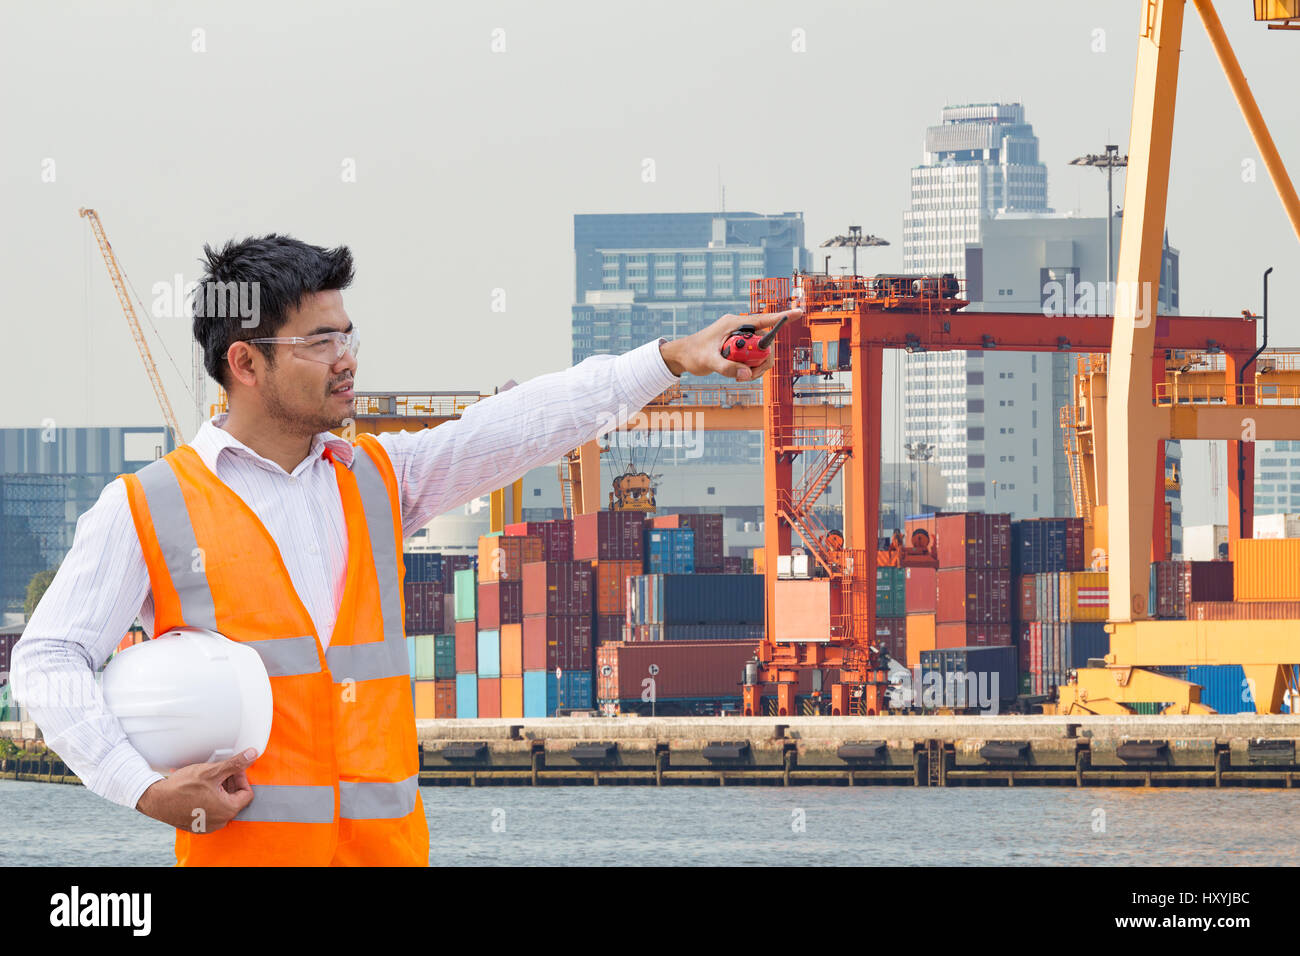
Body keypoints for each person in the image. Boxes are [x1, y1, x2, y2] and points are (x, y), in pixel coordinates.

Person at [10, 233, 796, 866]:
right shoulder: (147, 508)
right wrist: (140, 788)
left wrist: (669, 359)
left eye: (348, 335)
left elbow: (517, 423)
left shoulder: (380, 481)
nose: (348, 358)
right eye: (320, 341)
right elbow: (47, 659)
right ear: (246, 363)